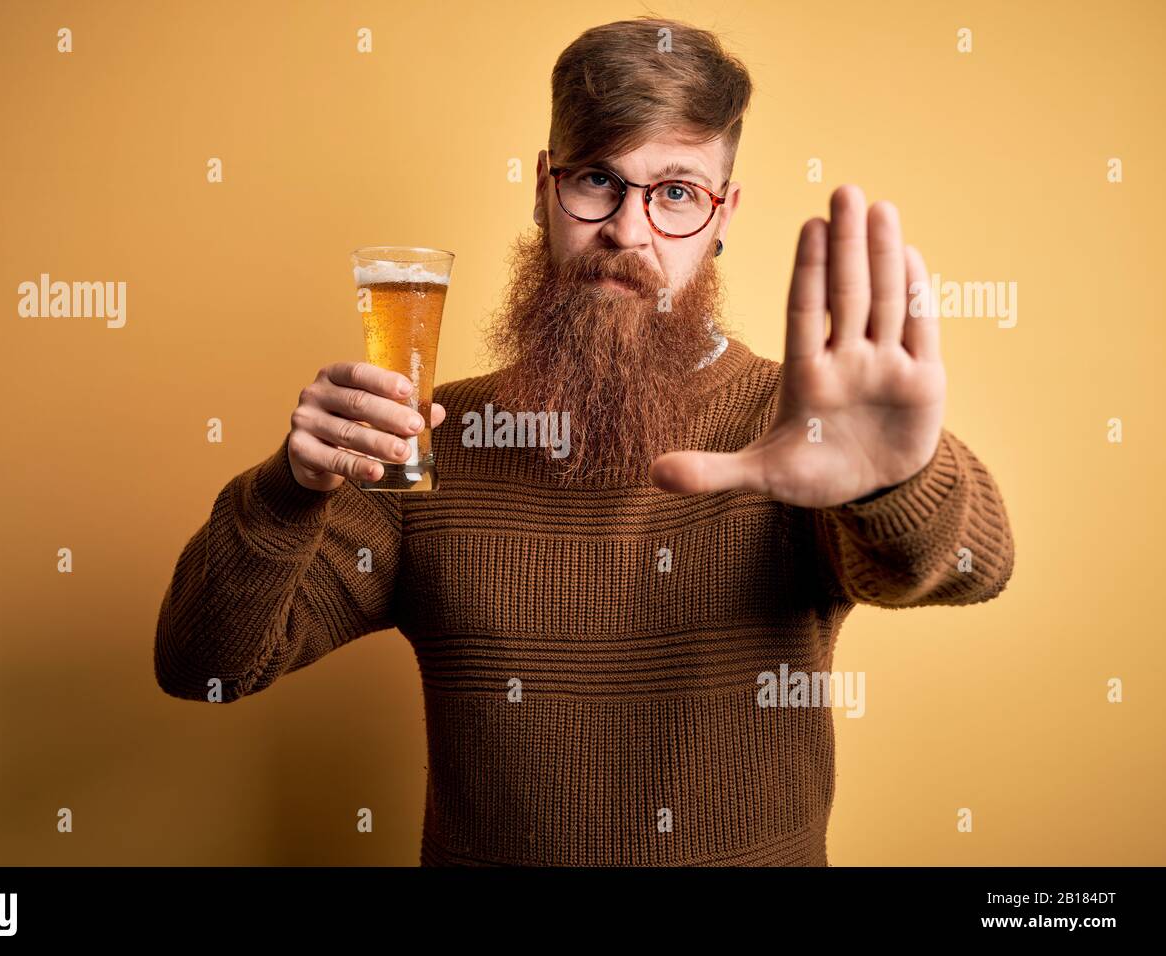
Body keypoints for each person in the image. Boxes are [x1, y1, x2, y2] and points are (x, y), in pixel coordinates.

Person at [154, 16, 1014, 866]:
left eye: (677, 192)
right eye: (598, 180)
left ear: (723, 217)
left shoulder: (789, 432)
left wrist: (892, 484)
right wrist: (286, 490)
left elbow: (978, 566)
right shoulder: (430, 445)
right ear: (542, 188)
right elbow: (205, 666)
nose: (628, 233)